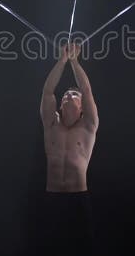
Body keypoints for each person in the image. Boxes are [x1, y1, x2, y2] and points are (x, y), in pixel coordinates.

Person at [36, 42, 99, 255]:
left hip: (77, 199)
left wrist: (74, 61)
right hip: (52, 198)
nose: (68, 95)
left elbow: (86, 90)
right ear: (60, 105)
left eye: (73, 95)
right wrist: (62, 60)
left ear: (82, 107)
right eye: (65, 95)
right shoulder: (51, 124)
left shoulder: (88, 125)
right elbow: (48, 92)